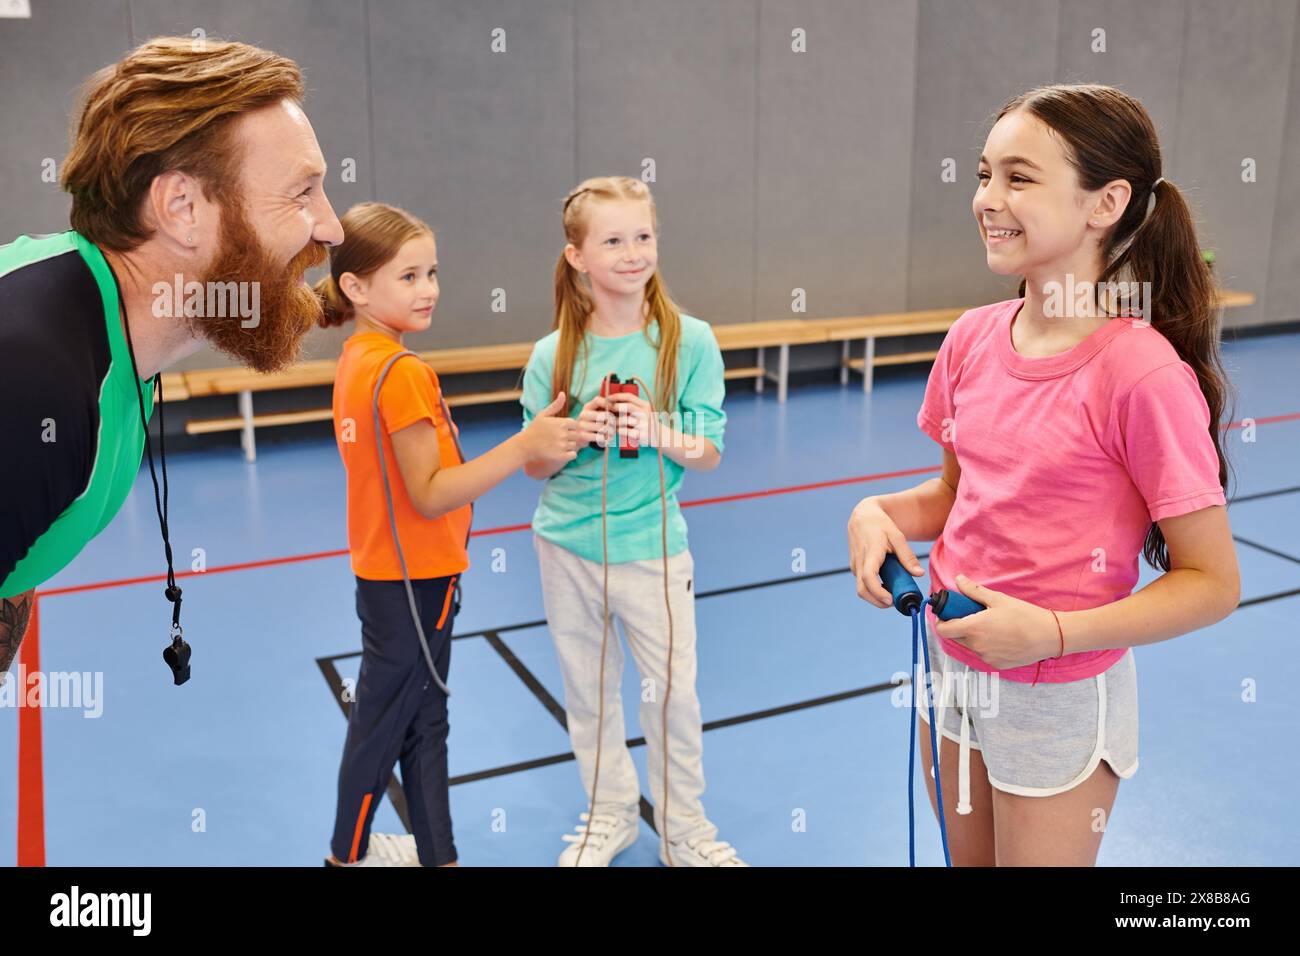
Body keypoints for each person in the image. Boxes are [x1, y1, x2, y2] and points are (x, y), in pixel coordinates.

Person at [848, 84, 1240, 866]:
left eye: (1019, 178)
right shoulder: (970, 339)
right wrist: (875, 511)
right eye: (984, 174)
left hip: (1058, 693)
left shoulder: (1139, 376)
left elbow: (1212, 581)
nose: (988, 200)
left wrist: (1052, 635)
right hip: (954, 678)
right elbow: (957, 495)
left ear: (1107, 202)